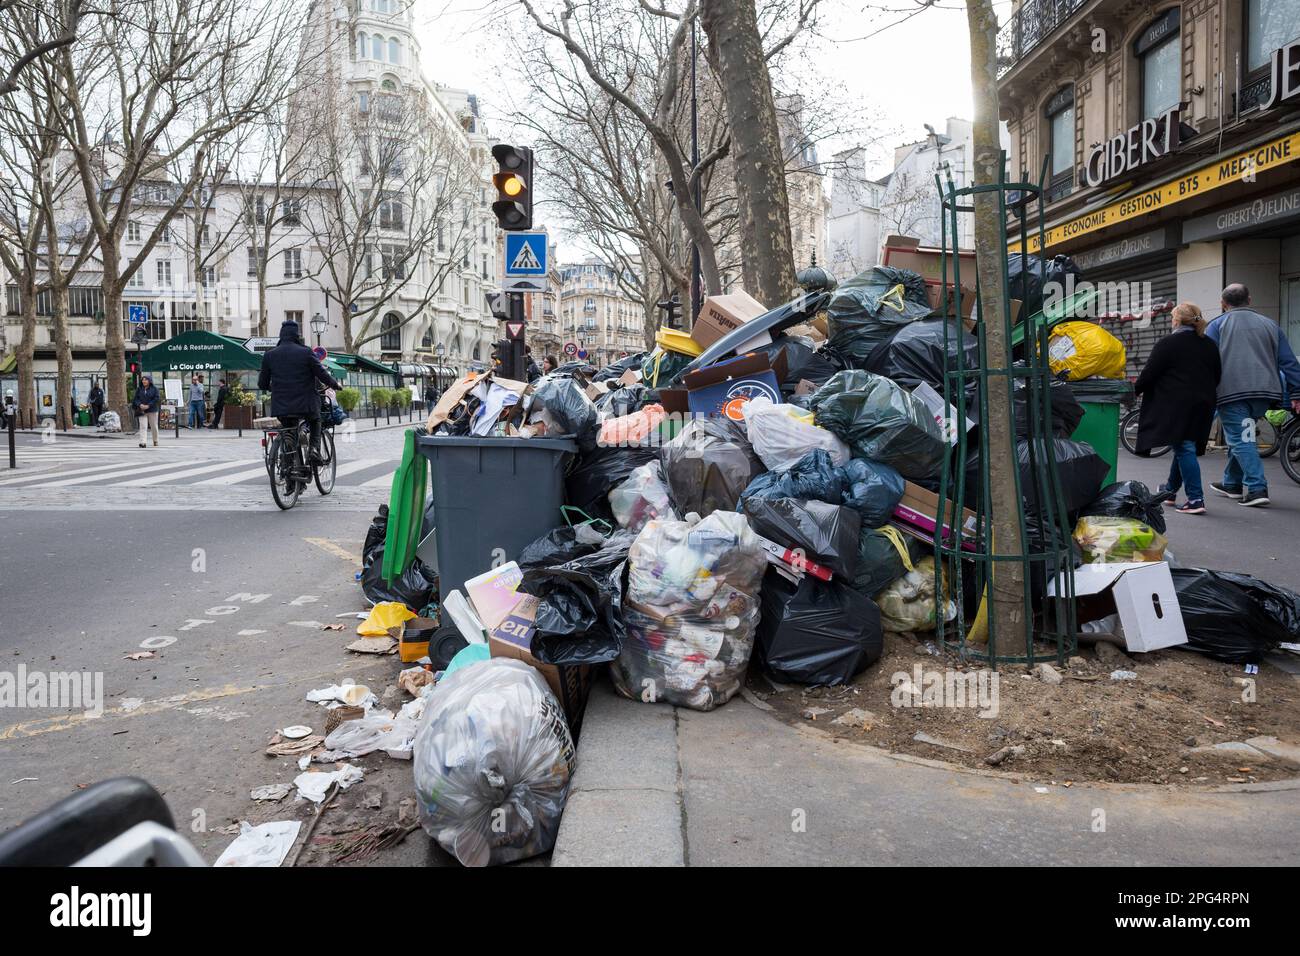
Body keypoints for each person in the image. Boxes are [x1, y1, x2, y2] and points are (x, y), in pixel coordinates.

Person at [1204, 283, 1300, 507]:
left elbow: (1206, 363)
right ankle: (1232, 483)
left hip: (1231, 391)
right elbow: (1288, 361)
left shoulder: (1217, 325)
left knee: (1240, 439)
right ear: (1249, 300)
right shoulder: (1270, 325)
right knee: (1244, 435)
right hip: (1265, 392)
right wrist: (1297, 391)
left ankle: (1257, 488)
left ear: (1223, 304)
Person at [1134, 302, 1221, 515]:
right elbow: (1217, 375)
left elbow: (1150, 372)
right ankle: (1170, 491)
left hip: (1176, 403)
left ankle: (1195, 499)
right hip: (1203, 403)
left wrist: (1135, 391)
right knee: (1183, 445)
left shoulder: (1169, 343)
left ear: (1176, 320)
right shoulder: (1209, 344)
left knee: (1184, 447)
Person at [258, 320, 342, 465]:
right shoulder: (306, 352)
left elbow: (262, 384)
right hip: (305, 404)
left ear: (281, 335)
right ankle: (313, 451)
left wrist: (277, 388)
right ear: (297, 334)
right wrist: (335, 385)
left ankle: (289, 471)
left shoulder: (270, 355)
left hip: (281, 406)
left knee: (288, 430)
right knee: (316, 421)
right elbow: (322, 374)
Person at [133, 375, 160, 448]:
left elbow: (156, 398)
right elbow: (136, 399)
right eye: (143, 380)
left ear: (149, 381)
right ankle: (143, 442)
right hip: (142, 411)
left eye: (146, 380)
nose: (144, 381)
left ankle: (155, 440)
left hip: (152, 410)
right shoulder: (139, 389)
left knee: (153, 426)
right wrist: (140, 404)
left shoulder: (154, 389)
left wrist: (148, 405)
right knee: (143, 426)